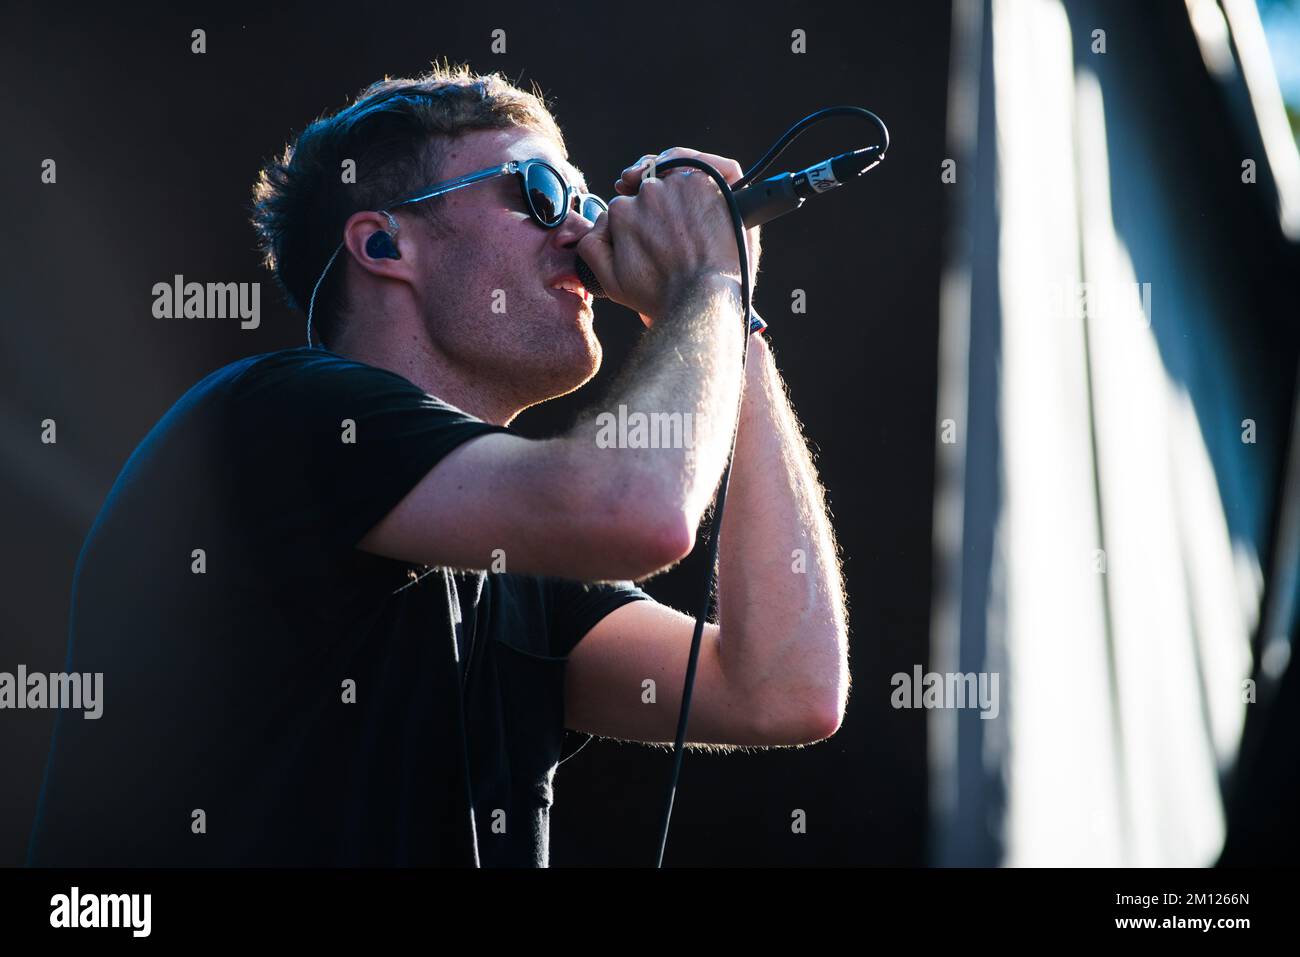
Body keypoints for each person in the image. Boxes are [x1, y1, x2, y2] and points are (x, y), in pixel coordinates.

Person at [27, 63, 849, 867]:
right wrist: (703, 281)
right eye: (541, 193)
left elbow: (784, 687)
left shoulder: (516, 555)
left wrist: (733, 315)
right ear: (385, 242)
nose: (581, 229)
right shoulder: (279, 417)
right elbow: (643, 513)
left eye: (587, 201)